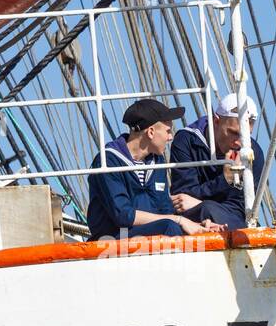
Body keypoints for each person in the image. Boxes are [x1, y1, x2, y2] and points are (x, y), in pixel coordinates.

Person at [85, 99, 221, 241]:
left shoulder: (156, 161)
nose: (171, 137)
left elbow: (165, 210)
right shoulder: (109, 161)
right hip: (113, 237)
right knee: (170, 227)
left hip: (148, 233)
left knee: (200, 217)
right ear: (150, 132)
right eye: (168, 131)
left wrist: (197, 225)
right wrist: (179, 221)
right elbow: (124, 215)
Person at [169, 93, 265, 231]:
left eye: (245, 135)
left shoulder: (251, 152)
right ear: (216, 121)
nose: (239, 142)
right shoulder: (186, 141)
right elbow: (181, 200)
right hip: (194, 221)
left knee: (207, 209)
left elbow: (243, 209)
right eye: (233, 132)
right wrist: (225, 180)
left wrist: (201, 203)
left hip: (233, 220)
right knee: (206, 209)